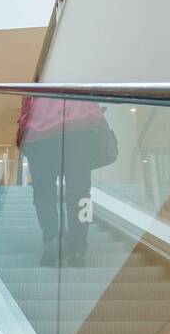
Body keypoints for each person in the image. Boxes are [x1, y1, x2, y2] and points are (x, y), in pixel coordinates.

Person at [17, 94, 106, 267]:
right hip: (81, 125)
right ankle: (79, 247)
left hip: (40, 127)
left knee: (43, 192)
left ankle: (52, 239)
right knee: (80, 193)